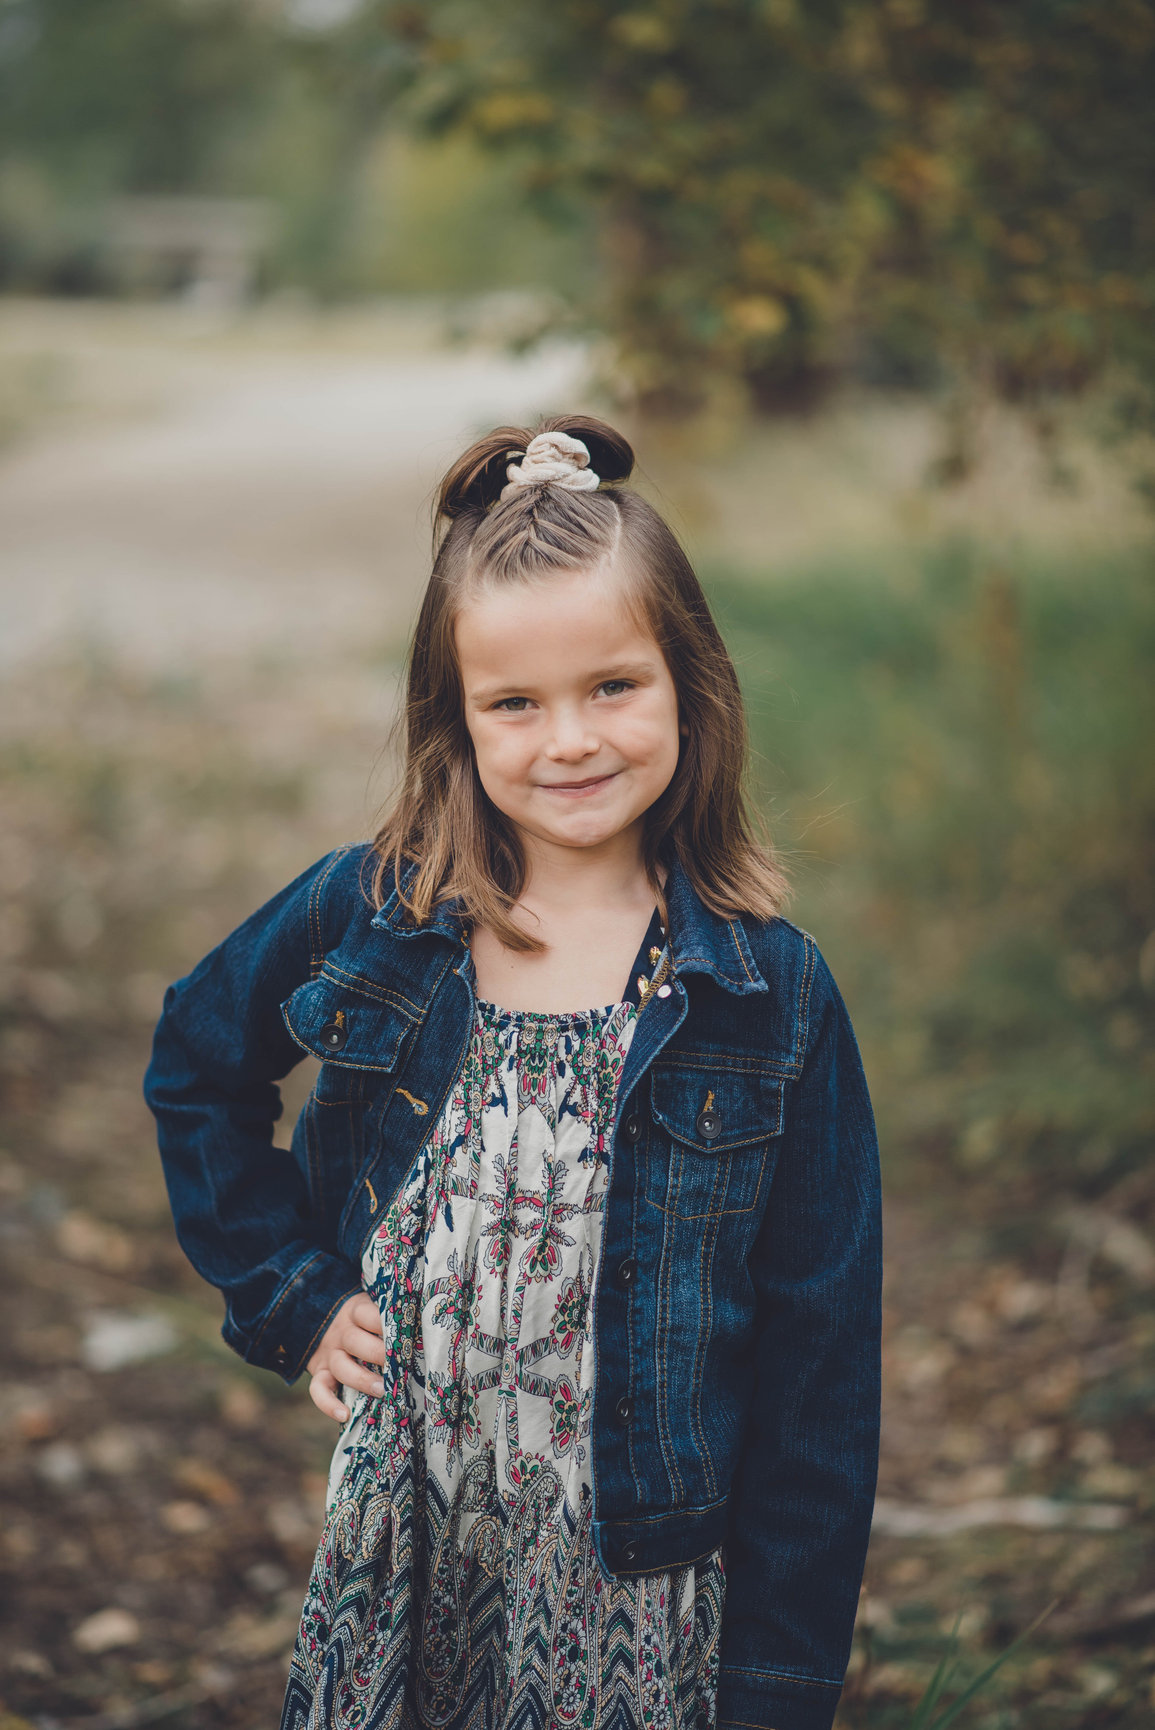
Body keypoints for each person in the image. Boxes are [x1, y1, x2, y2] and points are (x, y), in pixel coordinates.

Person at [144, 414, 882, 1730]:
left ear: (689, 688)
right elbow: (199, 1058)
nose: (570, 740)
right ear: (458, 717)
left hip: (642, 1588)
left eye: (614, 685)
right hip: (409, 1551)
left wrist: (779, 1683)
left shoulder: (768, 997)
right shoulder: (372, 912)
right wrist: (291, 1292)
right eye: (515, 703)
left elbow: (821, 1374)